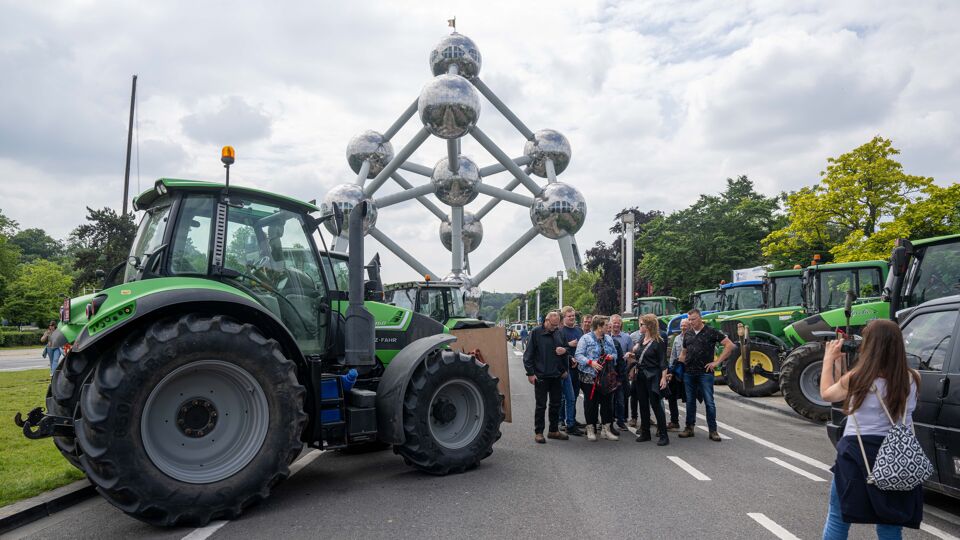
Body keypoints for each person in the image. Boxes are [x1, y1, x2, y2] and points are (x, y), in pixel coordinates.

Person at [819, 319, 923, 538]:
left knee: (838, 518)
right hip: (897, 457)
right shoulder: (912, 378)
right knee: (890, 522)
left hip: (858, 455)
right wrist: (840, 366)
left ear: (870, 345)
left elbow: (828, 394)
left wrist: (829, 359)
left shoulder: (858, 379)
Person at [678, 308, 735, 441]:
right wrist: (676, 367)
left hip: (705, 373)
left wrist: (717, 362)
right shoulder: (688, 334)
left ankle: (713, 430)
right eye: (689, 320)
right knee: (690, 402)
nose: (691, 322)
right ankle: (689, 428)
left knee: (709, 402)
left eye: (694, 319)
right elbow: (684, 352)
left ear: (700, 318)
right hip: (689, 373)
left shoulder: (711, 332)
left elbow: (729, 345)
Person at [522, 312, 570, 444]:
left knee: (556, 404)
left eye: (557, 324)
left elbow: (567, 349)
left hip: (556, 375)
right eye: (554, 323)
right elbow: (528, 355)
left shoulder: (559, 332)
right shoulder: (536, 332)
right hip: (541, 375)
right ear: (547, 320)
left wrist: (564, 354)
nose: (555, 326)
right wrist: (530, 373)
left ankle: (553, 430)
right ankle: (539, 432)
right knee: (541, 405)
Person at [575, 316, 619, 442]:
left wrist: (612, 356)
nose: (608, 327)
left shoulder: (608, 338)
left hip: (606, 377)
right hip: (590, 377)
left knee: (607, 404)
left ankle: (606, 430)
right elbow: (578, 355)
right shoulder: (586, 338)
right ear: (599, 327)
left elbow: (616, 354)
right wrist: (591, 362)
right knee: (591, 404)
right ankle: (591, 429)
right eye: (606, 325)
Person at [633, 314, 670, 445]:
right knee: (642, 404)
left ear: (648, 326)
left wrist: (664, 378)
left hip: (653, 376)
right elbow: (639, 355)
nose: (640, 326)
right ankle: (645, 432)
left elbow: (663, 361)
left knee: (656, 405)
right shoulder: (642, 339)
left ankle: (664, 435)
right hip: (641, 376)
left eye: (641, 324)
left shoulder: (658, 341)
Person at [558, 306, 585, 436]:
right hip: (566, 367)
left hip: (578, 367)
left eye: (573, 316)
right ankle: (561, 421)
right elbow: (558, 349)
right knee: (564, 396)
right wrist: (569, 346)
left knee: (573, 396)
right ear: (564, 317)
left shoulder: (579, 330)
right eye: (569, 316)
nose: (572, 318)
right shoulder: (560, 331)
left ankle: (571, 419)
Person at [609, 314, 633, 431]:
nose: (616, 324)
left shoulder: (626, 338)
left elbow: (631, 356)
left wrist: (629, 371)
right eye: (614, 322)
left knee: (621, 398)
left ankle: (621, 420)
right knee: (608, 399)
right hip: (608, 373)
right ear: (610, 324)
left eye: (618, 323)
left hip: (622, 372)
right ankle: (609, 420)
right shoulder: (606, 337)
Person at [664, 318, 689, 430]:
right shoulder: (677, 338)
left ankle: (689, 424)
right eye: (682, 325)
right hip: (677, 371)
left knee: (689, 398)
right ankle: (674, 421)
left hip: (688, 371)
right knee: (671, 395)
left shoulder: (693, 338)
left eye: (685, 325)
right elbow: (673, 355)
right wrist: (670, 371)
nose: (683, 327)